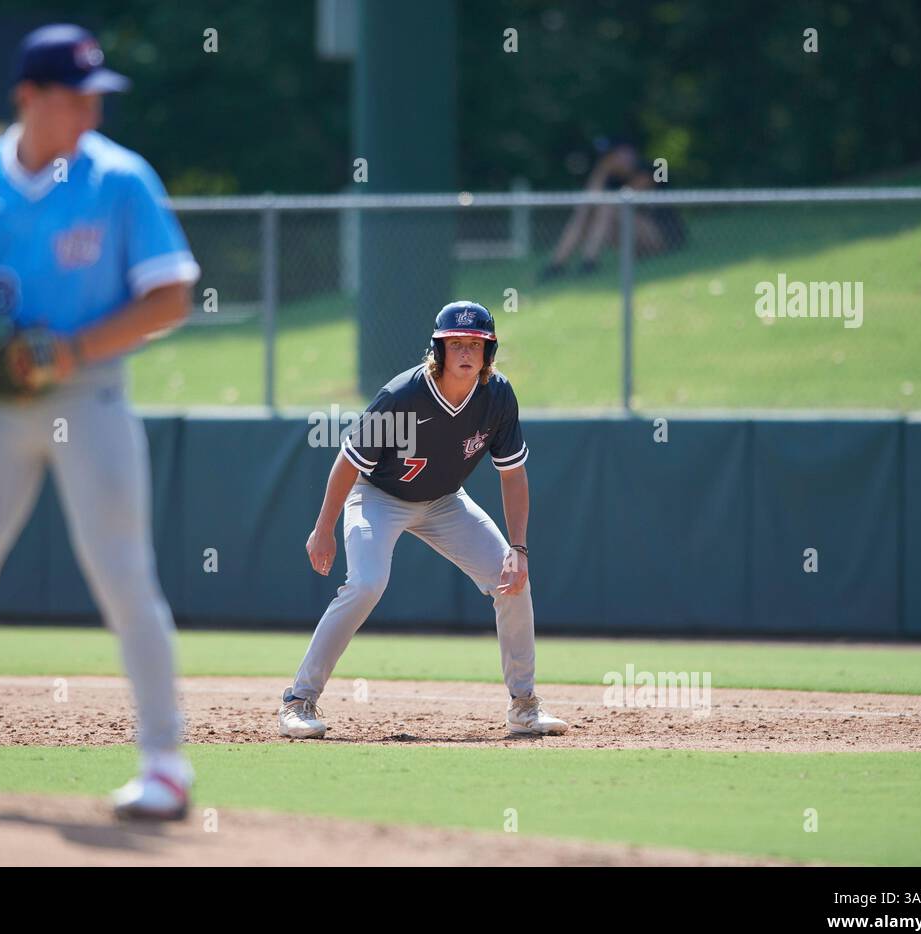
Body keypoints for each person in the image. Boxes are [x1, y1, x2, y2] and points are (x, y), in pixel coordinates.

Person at [0, 24, 200, 821]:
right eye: (75, 96)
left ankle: (165, 765)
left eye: (96, 96)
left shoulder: (121, 181)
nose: (90, 111)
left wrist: (68, 351)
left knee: (125, 576)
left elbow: (171, 296)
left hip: (89, 400)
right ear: (29, 97)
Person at [278, 301, 569, 739]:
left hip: (444, 501)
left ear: (488, 351)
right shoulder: (404, 396)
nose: (466, 353)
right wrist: (323, 528)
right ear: (440, 349)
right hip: (378, 497)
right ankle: (298, 701)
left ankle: (524, 706)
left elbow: (513, 475)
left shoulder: (497, 396)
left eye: (476, 344)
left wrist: (519, 548)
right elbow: (348, 462)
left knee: (512, 580)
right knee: (366, 584)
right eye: (456, 344)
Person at [539, 138, 686, 282]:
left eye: (612, 156)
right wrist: (601, 171)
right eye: (605, 158)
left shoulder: (650, 169)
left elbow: (630, 195)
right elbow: (587, 203)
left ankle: (589, 261)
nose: (608, 161)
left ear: (627, 154)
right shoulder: (611, 178)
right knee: (587, 213)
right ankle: (557, 264)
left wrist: (604, 178)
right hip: (634, 246)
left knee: (606, 207)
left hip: (663, 238)